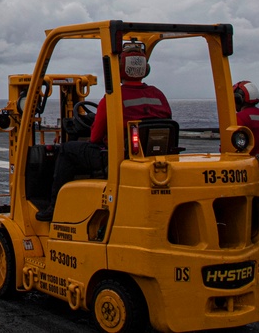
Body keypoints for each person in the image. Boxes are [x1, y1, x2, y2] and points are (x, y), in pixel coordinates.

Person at [36, 40, 172, 222]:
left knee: (68, 149)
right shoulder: (158, 95)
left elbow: (95, 137)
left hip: (117, 157)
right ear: (145, 69)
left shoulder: (113, 99)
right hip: (152, 156)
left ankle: (54, 207)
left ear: (119, 68)